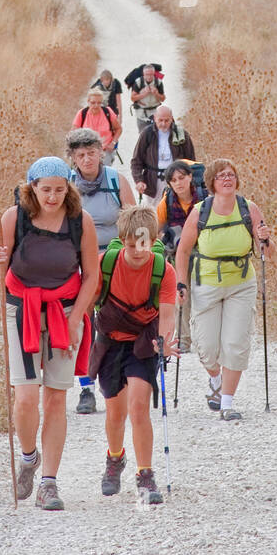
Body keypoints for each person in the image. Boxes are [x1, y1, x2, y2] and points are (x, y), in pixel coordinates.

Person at [0, 156, 100, 510]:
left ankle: (49, 484)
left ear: (68, 189)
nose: (52, 197)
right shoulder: (13, 218)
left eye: (59, 190)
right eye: (45, 189)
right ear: (32, 188)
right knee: (25, 399)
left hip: (64, 311)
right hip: (21, 310)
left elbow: (91, 276)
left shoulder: (80, 221)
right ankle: (28, 457)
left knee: (55, 398)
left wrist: (76, 319)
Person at [89, 205, 178, 505]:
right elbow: (88, 303)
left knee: (139, 407)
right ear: (122, 241)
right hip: (111, 341)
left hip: (144, 342)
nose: (138, 252)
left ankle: (145, 474)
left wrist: (163, 342)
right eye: (131, 245)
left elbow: (167, 315)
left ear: (154, 240)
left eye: (144, 245)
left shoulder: (163, 270)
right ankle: (115, 458)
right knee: (115, 413)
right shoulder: (106, 264)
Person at [174, 158, 272, 422]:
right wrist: (181, 283)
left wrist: (264, 239)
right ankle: (215, 379)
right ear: (211, 183)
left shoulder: (249, 208)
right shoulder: (200, 212)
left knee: (235, 344)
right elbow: (183, 251)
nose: (227, 179)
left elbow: (266, 251)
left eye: (231, 175)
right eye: (221, 176)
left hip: (241, 284)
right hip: (206, 284)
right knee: (206, 347)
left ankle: (226, 403)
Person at [67, 127, 136, 415]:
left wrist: (127, 255)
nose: (87, 159)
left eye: (92, 153)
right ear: (73, 158)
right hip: (78, 262)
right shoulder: (66, 185)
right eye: (81, 155)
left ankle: (118, 381)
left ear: (101, 153)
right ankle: (86, 387)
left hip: (113, 258)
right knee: (84, 323)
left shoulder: (116, 180)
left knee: (116, 321)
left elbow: (134, 221)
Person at [156, 159, 207, 354]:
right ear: (169, 183)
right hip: (178, 255)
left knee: (204, 295)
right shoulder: (167, 202)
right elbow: (157, 228)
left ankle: (204, 338)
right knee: (181, 294)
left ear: (190, 177)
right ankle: (184, 339)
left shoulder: (205, 198)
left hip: (204, 254)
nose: (178, 183)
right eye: (174, 180)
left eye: (182, 177)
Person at [131, 104, 195, 202]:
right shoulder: (147, 134)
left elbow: (191, 160)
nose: (163, 124)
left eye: (167, 120)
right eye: (160, 120)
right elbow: (136, 161)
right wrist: (139, 180)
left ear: (172, 119)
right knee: (155, 210)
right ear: (155, 118)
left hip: (177, 181)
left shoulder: (181, 134)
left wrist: (191, 181)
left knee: (177, 208)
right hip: (153, 182)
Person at [72, 88, 122, 162]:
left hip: (105, 152)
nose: (96, 105)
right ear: (88, 102)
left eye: (99, 103)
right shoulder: (82, 113)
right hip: (87, 154)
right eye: (93, 102)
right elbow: (73, 134)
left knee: (103, 169)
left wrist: (113, 143)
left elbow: (118, 129)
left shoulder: (107, 112)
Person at [126, 63, 165, 133]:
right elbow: (133, 98)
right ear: (143, 74)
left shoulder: (158, 82)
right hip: (142, 115)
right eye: (147, 75)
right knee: (143, 136)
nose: (149, 77)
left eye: (151, 74)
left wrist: (156, 94)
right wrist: (144, 94)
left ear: (154, 74)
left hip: (156, 114)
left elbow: (163, 99)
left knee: (157, 135)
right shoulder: (138, 82)